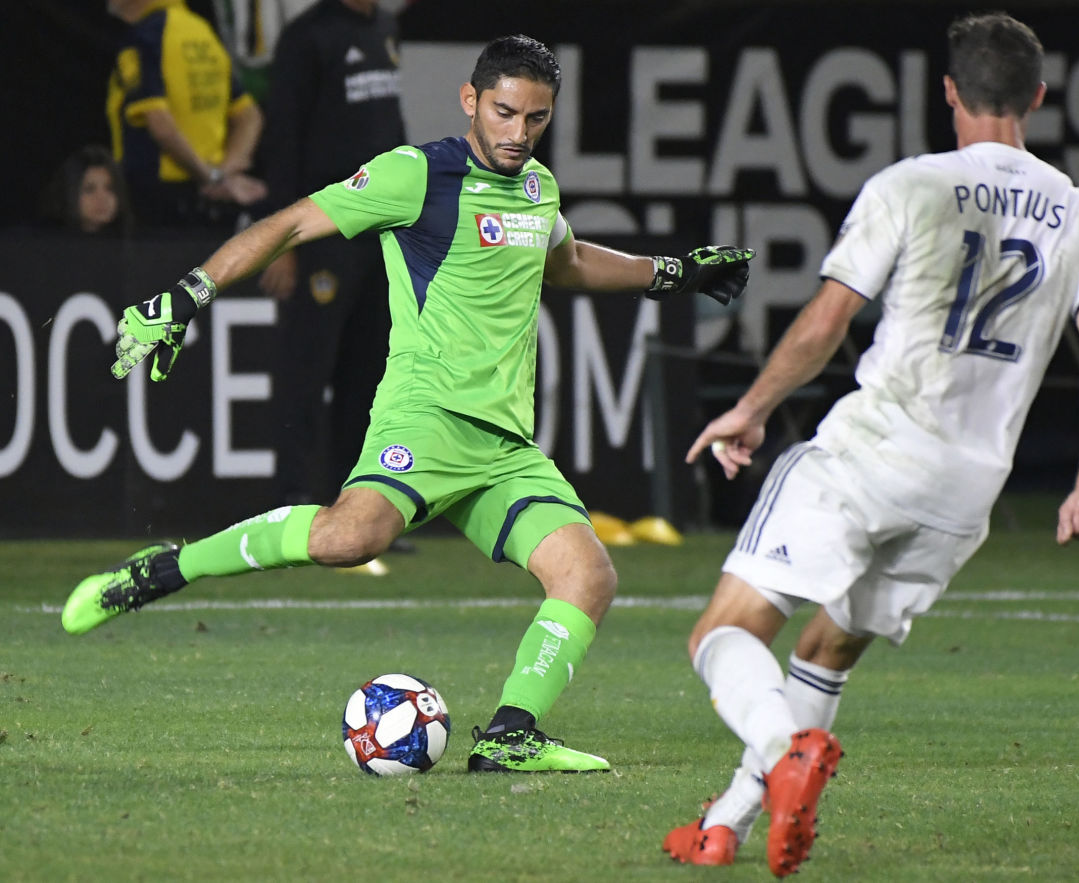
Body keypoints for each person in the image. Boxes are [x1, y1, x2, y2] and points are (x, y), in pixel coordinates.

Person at [62, 35, 756, 773]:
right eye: (504, 112)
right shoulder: (417, 174)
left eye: (536, 119)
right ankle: (168, 569)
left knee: (589, 575)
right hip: (425, 419)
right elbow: (293, 222)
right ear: (470, 100)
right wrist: (188, 293)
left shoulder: (537, 189)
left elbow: (570, 261)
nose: (518, 133)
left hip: (505, 445)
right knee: (346, 541)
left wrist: (672, 273)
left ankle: (508, 733)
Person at [661, 13, 1079, 875]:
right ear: (1037, 95)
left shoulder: (911, 185)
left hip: (871, 455)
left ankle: (778, 754)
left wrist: (754, 408)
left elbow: (827, 320)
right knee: (826, 650)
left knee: (722, 633)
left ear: (949, 92)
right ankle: (727, 819)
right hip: (965, 492)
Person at [256, 0, 405, 508]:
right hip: (324, 236)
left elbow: (390, 133)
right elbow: (282, 141)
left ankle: (358, 506)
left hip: (380, 235)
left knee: (369, 376)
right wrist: (282, 243)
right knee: (306, 370)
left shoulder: (383, 27)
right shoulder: (307, 37)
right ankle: (293, 500)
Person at [106, 0, 267, 228]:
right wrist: (222, 175)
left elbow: (159, 124)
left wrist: (210, 177)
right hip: (209, 203)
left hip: (155, 199)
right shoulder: (202, 32)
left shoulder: (144, 37)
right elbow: (249, 115)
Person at [39, 145, 134, 236]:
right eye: (89, 189)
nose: (102, 198)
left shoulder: (134, 245)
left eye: (110, 188)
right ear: (70, 193)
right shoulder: (48, 243)